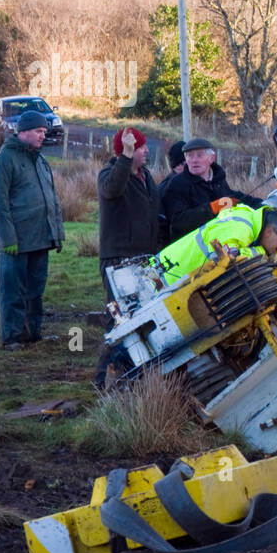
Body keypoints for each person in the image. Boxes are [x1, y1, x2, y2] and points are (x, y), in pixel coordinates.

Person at [0, 110, 65, 349]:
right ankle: (12, 338)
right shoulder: (4, 160)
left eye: (44, 131)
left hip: (41, 239)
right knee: (13, 292)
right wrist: (8, 237)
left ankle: (32, 334)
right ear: (23, 132)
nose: (43, 135)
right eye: (38, 131)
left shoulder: (41, 161)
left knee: (35, 292)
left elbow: (52, 200)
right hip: (16, 243)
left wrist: (57, 234)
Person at [93, 127, 159, 388]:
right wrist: (126, 156)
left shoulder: (147, 177)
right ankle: (102, 380)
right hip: (118, 261)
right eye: (141, 147)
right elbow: (112, 190)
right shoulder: (109, 174)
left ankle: (134, 373)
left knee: (144, 317)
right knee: (119, 321)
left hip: (144, 260)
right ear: (129, 151)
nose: (146, 151)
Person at [150, 203, 277, 287]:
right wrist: (261, 253)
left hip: (171, 281)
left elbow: (264, 254)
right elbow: (223, 260)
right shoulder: (240, 227)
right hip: (159, 281)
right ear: (269, 231)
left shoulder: (256, 226)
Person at [160, 137, 262, 241]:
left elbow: (232, 197)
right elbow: (177, 223)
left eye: (199, 155)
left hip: (221, 240)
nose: (194, 160)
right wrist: (211, 208)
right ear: (186, 160)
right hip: (192, 247)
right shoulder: (177, 184)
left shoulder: (218, 179)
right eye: (190, 156)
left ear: (211, 158)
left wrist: (262, 204)